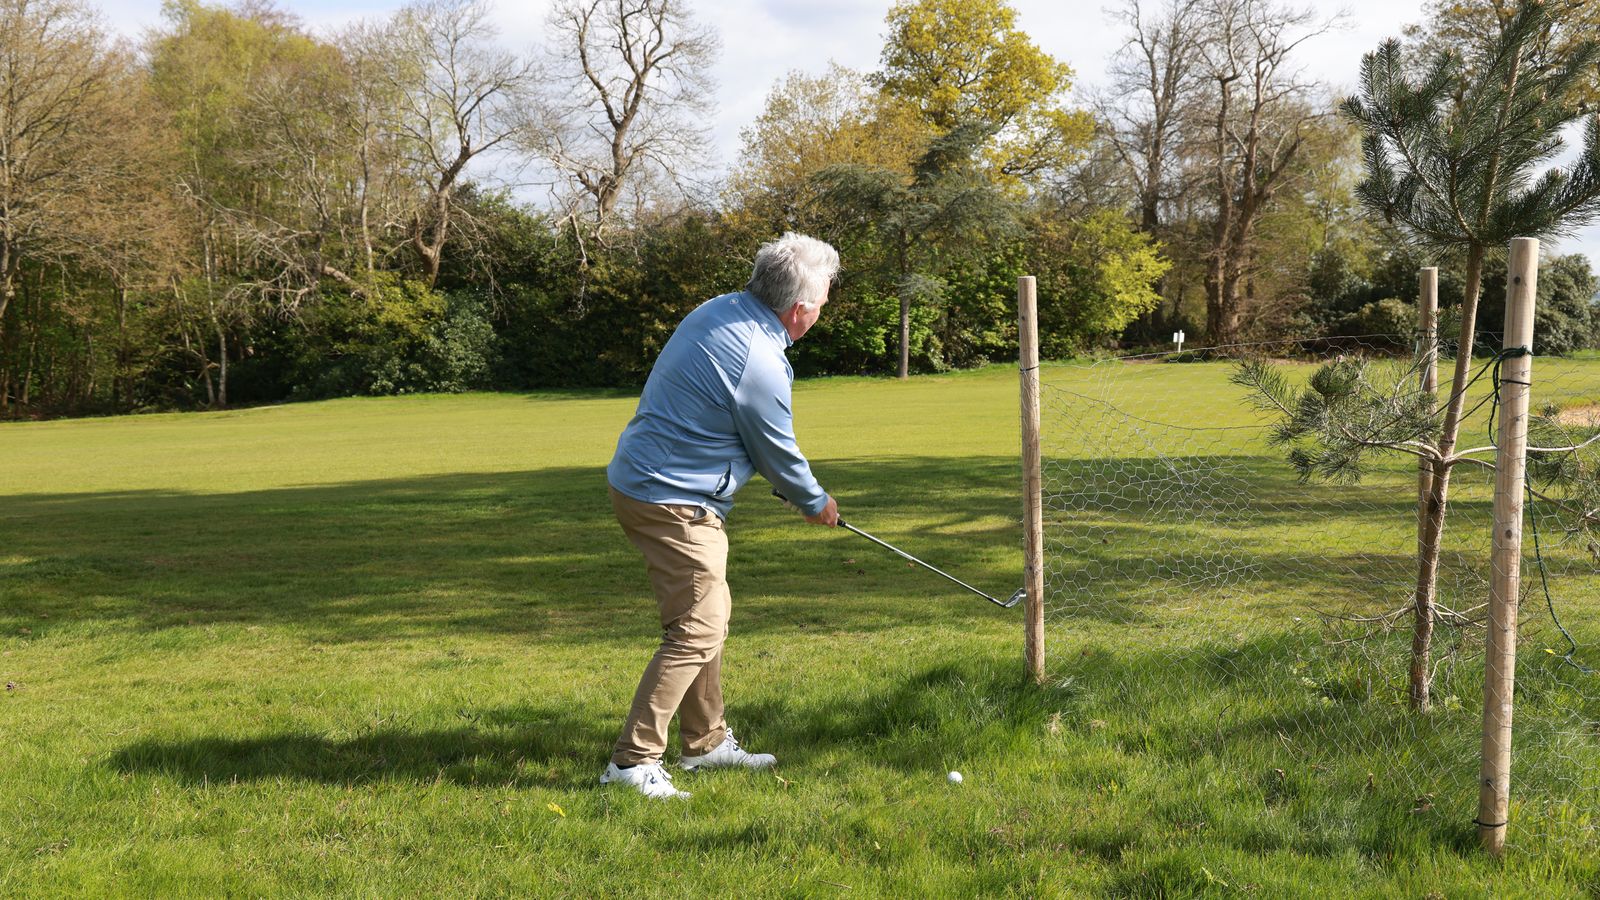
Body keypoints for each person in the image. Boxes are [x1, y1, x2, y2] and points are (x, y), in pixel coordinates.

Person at [600, 232, 841, 800]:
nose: (823, 312)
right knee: (698, 627)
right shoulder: (760, 358)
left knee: (706, 615)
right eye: (823, 303)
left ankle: (705, 744)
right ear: (799, 310)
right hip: (672, 500)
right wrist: (814, 501)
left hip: (651, 485)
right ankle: (633, 763)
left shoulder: (723, 308)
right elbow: (776, 448)